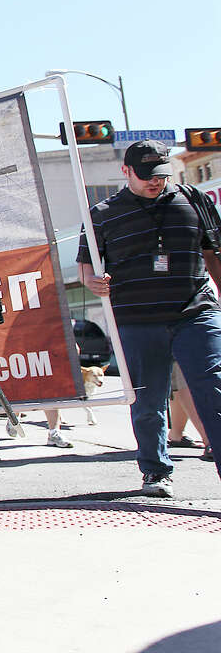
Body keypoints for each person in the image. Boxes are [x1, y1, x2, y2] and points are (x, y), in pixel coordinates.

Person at [79, 139, 221, 496]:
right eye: (145, 176)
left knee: (214, 390)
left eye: (160, 174)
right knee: (147, 401)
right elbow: (85, 266)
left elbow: (213, 254)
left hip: (196, 311)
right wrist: (92, 281)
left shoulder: (194, 200)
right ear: (125, 171)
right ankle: (156, 472)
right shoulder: (101, 214)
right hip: (137, 319)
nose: (154, 181)